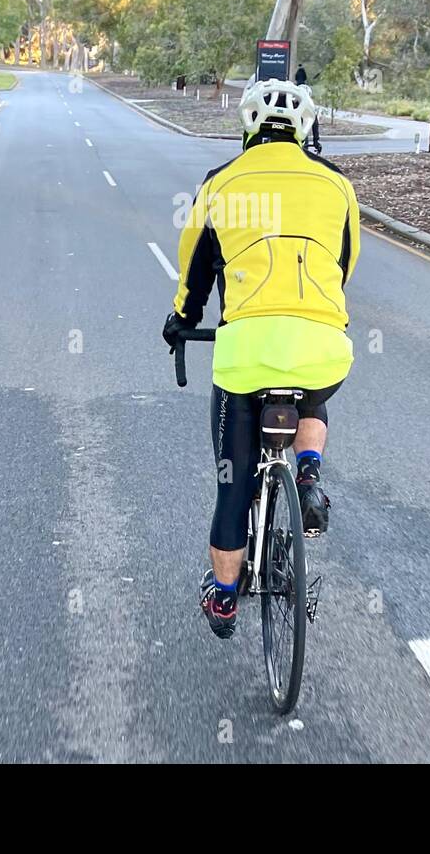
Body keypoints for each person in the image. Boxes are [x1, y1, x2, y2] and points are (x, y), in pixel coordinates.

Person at [162, 79, 360, 639]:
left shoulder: (222, 182)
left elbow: (195, 267)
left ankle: (224, 596)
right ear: (305, 128)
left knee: (233, 484)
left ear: (248, 126)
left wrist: (182, 319)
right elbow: (346, 262)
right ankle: (308, 473)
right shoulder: (337, 184)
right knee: (314, 389)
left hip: (246, 354)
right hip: (322, 344)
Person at [293, 64, 321, 152]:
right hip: (302, 133)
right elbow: (315, 123)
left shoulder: (293, 92)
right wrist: (316, 141)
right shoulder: (308, 101)